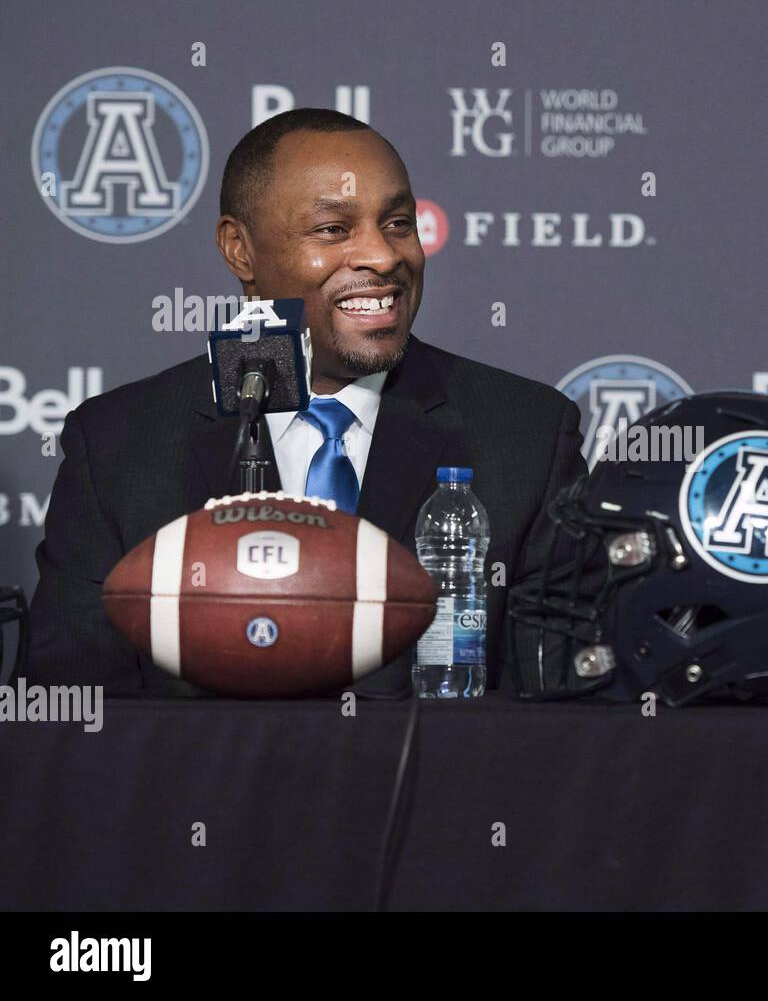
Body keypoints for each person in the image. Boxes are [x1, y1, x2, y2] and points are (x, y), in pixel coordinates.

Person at [27, 109, 586, 696]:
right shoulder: (118, 444)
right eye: (333, 230)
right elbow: (72, 718)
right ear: (239, 250)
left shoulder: (528, 434)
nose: (383, 255)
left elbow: (561, 722)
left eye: (398, 223)